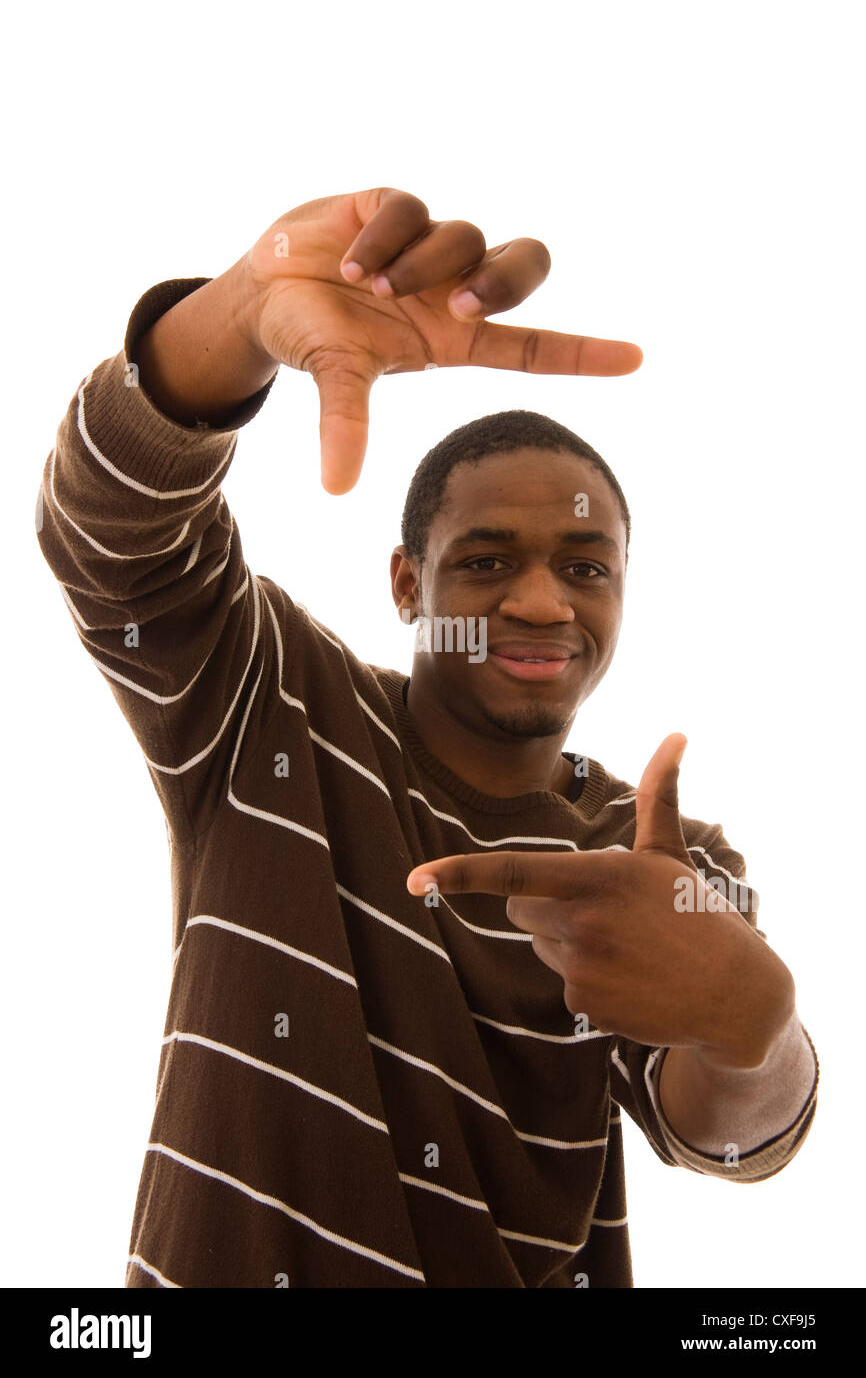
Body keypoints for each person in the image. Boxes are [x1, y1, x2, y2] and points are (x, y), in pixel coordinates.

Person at [36, 186, 818, 1289]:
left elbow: (733, 1133)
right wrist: (246, 304)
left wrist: (751, 1022)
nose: (544, 604)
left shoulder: (656, 857)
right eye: (487, 560)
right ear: (409, 582)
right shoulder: (273, 697)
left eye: (584, 570)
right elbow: (111, 538)